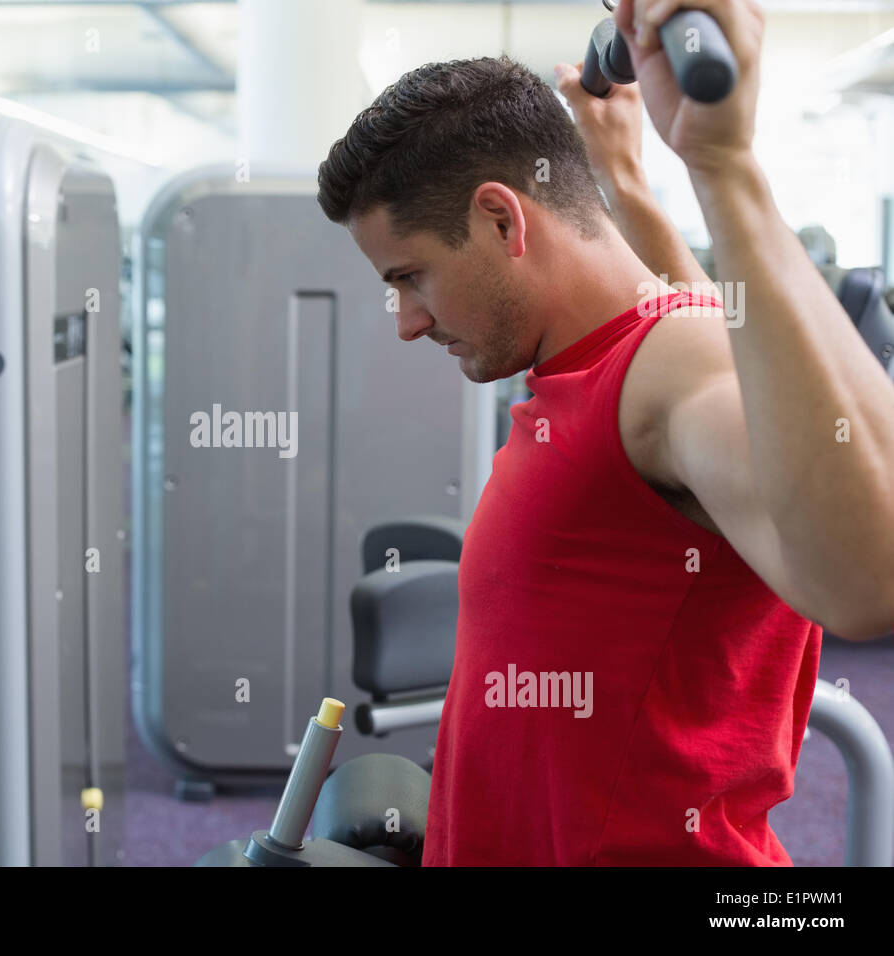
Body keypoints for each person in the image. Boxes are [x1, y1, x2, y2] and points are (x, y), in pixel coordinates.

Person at [316, 0, 894, 865]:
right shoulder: (621, 359)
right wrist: (627, 175)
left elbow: (868, 581)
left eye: (412, 278)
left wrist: (724, 167)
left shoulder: (666, 375)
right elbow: (703, 319)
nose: (407, 321)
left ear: (502, 220)